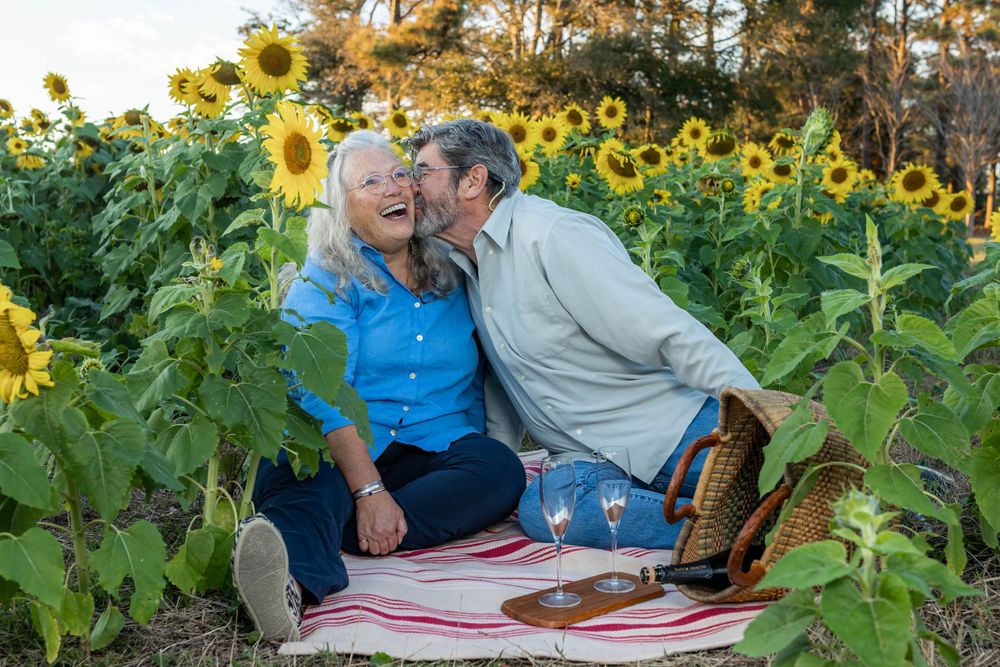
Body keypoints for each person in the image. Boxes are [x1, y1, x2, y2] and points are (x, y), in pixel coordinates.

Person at [407, 119, 760, 551]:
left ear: (473, 181)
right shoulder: (464, 263)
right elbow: (502, 381)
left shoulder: (552, 236)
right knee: (546, 511)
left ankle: (754, 521)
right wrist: (491, 473)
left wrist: (762, 415)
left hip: (670, 432)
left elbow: (667, 332)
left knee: (790, 485)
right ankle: (731, 535)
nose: (411, 185)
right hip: (584, 463)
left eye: (423, 171)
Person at [231, 130, 526, 643]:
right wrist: (367, 489)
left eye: (398, 174)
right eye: (370, 181)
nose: (394, 186)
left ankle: (341, 528)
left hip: (432, 452)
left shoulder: (456, 268)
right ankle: (290, 585)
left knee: (499, 471)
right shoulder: (325, 280)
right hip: (341, 445)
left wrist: (379, 500)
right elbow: (320, 395)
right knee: (307, 478)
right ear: (341, 209)